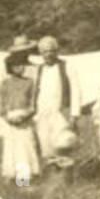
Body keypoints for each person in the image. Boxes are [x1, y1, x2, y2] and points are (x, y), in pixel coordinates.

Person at [0, 36, 43, 183]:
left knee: (25, 148)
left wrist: (25, 116)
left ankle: (24, 179)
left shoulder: (30, 80)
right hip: (10, 120)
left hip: (25, 118)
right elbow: (0, 104)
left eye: (21, 65)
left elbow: (33, 103)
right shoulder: (5, 83)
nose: (19, 67)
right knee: (12, 148)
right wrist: (7, 117)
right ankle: (11, 176)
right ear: (10, 67)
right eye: (15, 65)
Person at [33, 36, 77, 168]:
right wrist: (35, 114)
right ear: (41, 53)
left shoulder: (66, 66)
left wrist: (74, 114)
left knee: (63, 144)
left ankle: (67, 179)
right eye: (45, 51)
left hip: (60, 112)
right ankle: (53, 176)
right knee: (46, 146)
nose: (48, 54)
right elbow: (35, 92)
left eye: (51, 50)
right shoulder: (39, 69)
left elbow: (76, 91)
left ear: (56, 51)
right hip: (42, 113)